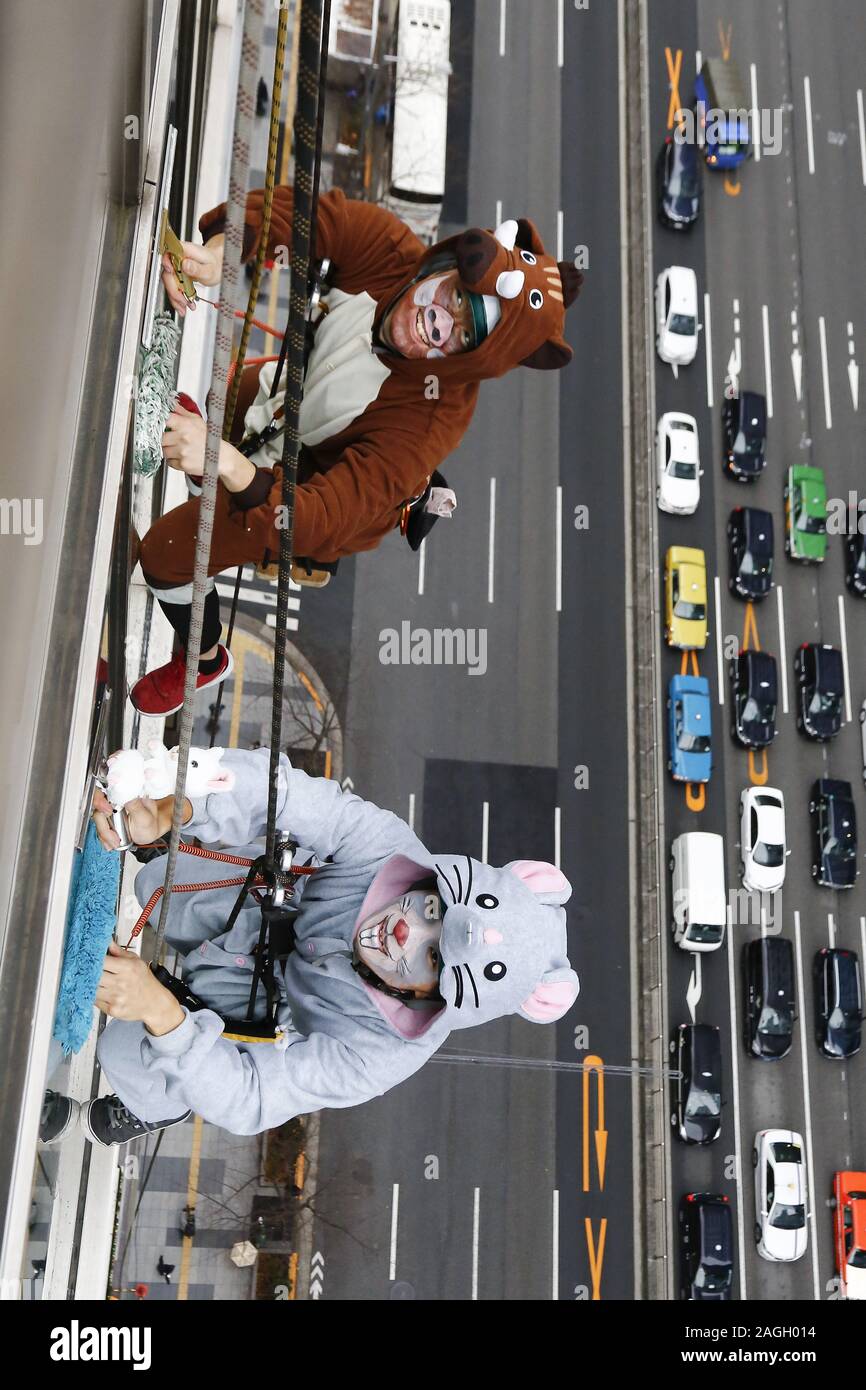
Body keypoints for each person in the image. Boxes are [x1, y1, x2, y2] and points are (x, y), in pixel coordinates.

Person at [130, 189, 583, 716]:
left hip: (304, 497)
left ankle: (203, 657)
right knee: (225, 400)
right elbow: (309, 216)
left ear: (470, 361)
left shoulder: (423, 426)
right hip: (286, 404)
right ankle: (211, 472)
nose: (436, 321)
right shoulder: (393, 255)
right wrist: (220, 251)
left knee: (164, 554)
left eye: (462, 335)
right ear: (446, 268)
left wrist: (226, 462)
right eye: (455, 298)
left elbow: (325, 517)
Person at [82, 749, 579, 1144]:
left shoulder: (380, 1056)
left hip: (260, 1012)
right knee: (157, 886)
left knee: (126, 1050)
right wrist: (178, 809)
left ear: (437, 997)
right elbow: (291, 796)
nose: (403, 932)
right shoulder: (391, 847)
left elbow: (253, 1096)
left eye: (432, 957)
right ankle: (161, 846)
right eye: (430, 911)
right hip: (263, 908)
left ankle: (153, 1105)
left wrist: (162, 1015)